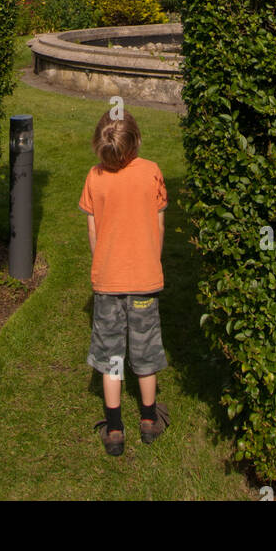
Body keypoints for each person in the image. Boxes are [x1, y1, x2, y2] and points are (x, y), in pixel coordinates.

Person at [78, 106, 170, 456]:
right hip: (145, 278)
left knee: (111, 353)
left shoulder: (94, 177)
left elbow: (93, 231)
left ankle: (114, 427)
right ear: (137, 140)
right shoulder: (152, 173)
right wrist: (151, 258)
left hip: (108, 281)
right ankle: (149, 420)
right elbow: (158, 225)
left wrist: (103, 261)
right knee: (146, 348)